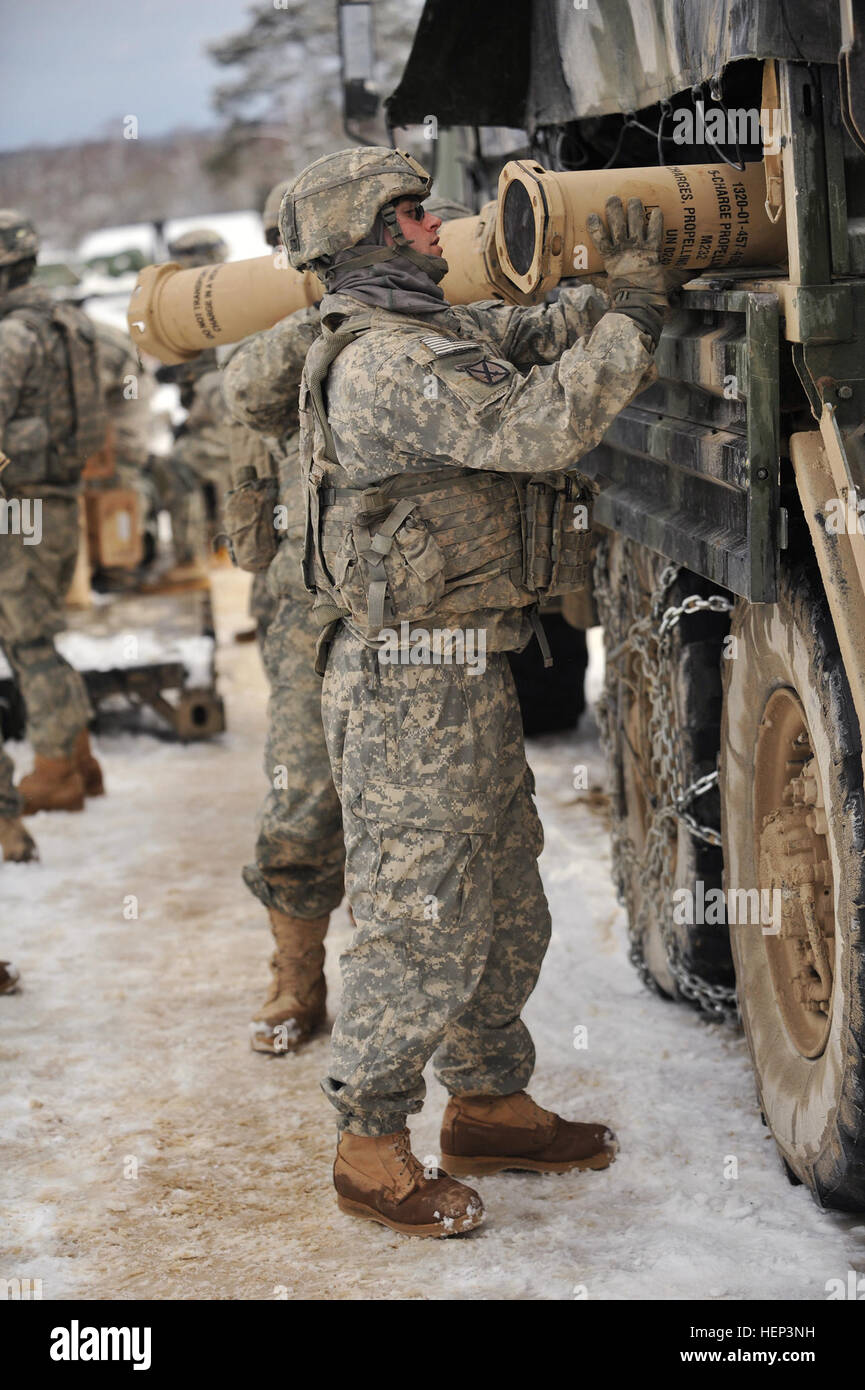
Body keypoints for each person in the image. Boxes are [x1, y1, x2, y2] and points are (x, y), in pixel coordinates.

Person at [278, 146, 687, 1237]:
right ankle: (369, 1146)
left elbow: (528, 334)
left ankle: (489, 1105)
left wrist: (617, 281)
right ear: (367, 237)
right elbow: (541, 424)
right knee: (420, 914)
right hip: (410, 687)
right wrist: (635, 314)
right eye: (410, 213)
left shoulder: (426, 330)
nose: (434, 224)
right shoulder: (386, 363)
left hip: (462, 667)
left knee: (504, 898)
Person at [223, 195, 476, 1054]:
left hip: (410, 604)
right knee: (303, 796)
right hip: (308, 606)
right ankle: (296, 977)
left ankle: (413, 1009)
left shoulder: (427, 303)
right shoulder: (293, 335)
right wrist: (336, 309)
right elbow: (247, 396)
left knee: (415, 817)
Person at [0, 209, 106, 814]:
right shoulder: (70, 322)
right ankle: (79, 761)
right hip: (59, 500)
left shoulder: (13, 336)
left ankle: (54, 769)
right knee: (40, 634)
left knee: (27, 639)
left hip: (22, 507)